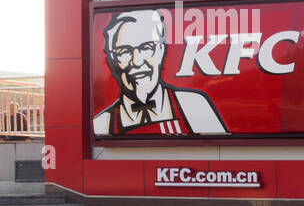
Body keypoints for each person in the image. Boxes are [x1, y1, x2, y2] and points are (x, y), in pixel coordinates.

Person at [91, 8, 227, 136]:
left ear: (161, 50)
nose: (137, 62)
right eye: (124, 51)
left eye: (146, 47)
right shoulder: (102, 124)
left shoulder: (193, 105)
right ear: (112, 59)